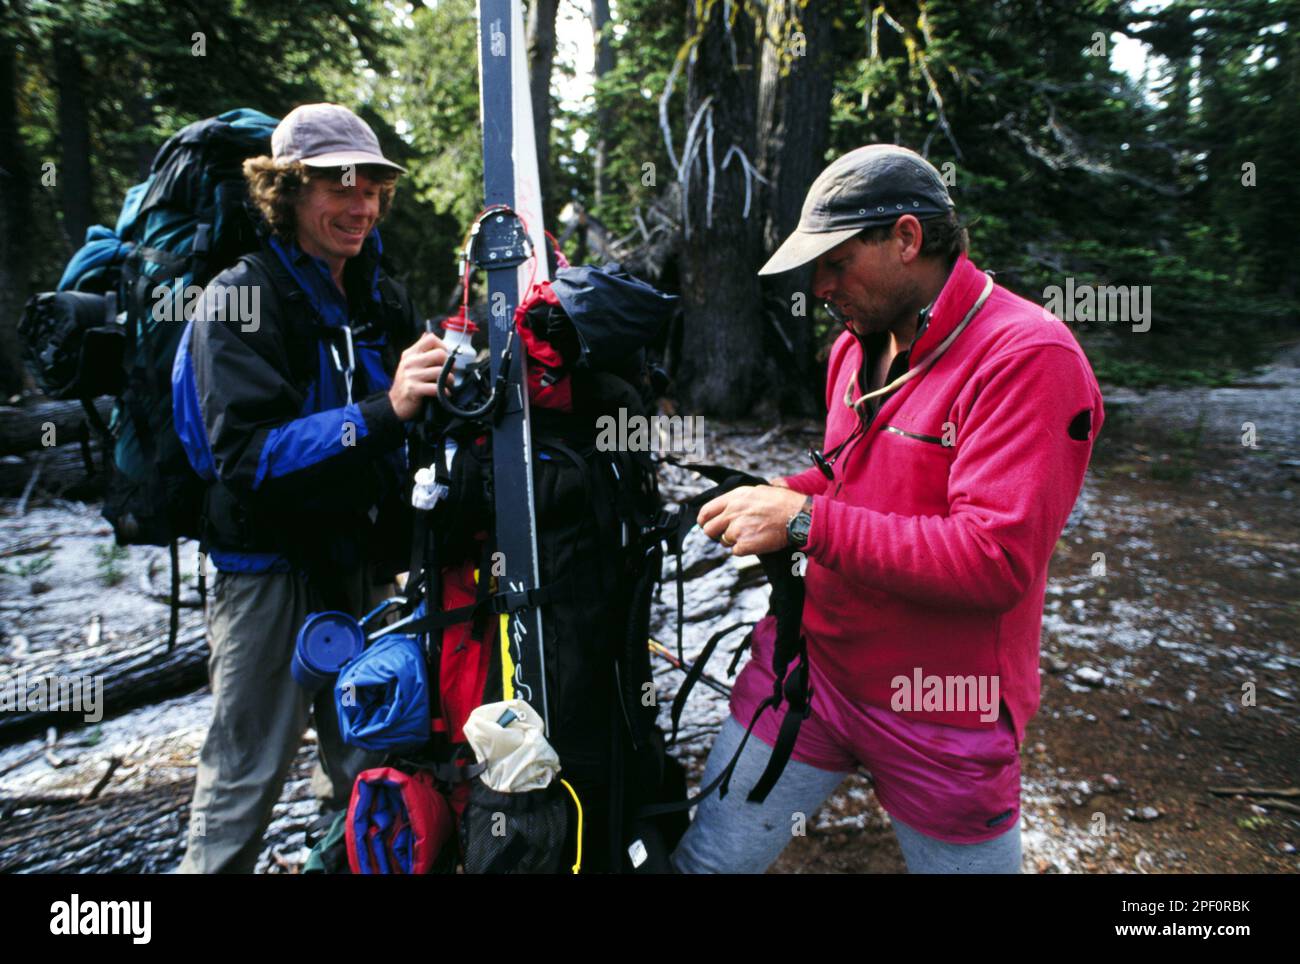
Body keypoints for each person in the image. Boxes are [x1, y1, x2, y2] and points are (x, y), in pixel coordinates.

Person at [670, 144, 1105, 874]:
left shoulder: (1027, 357)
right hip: (806, 672)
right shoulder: (853, 348)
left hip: (942, 710)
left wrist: (804, 522)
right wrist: (781, 494)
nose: (821, 285)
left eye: (837, 261)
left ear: (906, 238)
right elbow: (852, 479)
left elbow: (993, 561)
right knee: (707, 866)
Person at [173, 103, 454, 873]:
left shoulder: (378, 296)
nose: (360, 203)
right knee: (245, 775)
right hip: (265, 575)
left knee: (370, 768)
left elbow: (419, 421)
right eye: (337, 184)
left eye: (371, 185)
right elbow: (247, 455)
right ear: (286, 191)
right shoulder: (240, 298)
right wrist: (381, 412)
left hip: (357, 570)